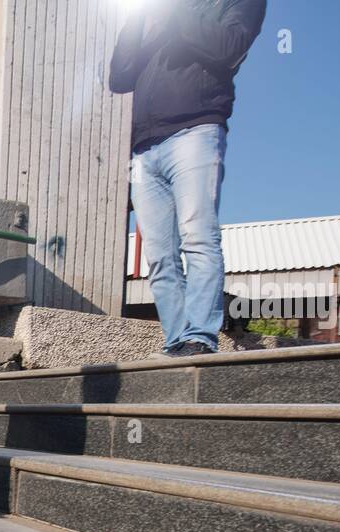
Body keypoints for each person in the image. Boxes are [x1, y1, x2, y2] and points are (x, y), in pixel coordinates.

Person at [109, 0, 265, 357]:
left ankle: (200, 337)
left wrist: (176, 10)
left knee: (198, 238)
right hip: (145, 148)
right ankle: (176, 340)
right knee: (159, 256)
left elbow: (228, 48)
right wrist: (136, 20)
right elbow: (119, 77)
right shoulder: (161, 18)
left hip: (195, 132)